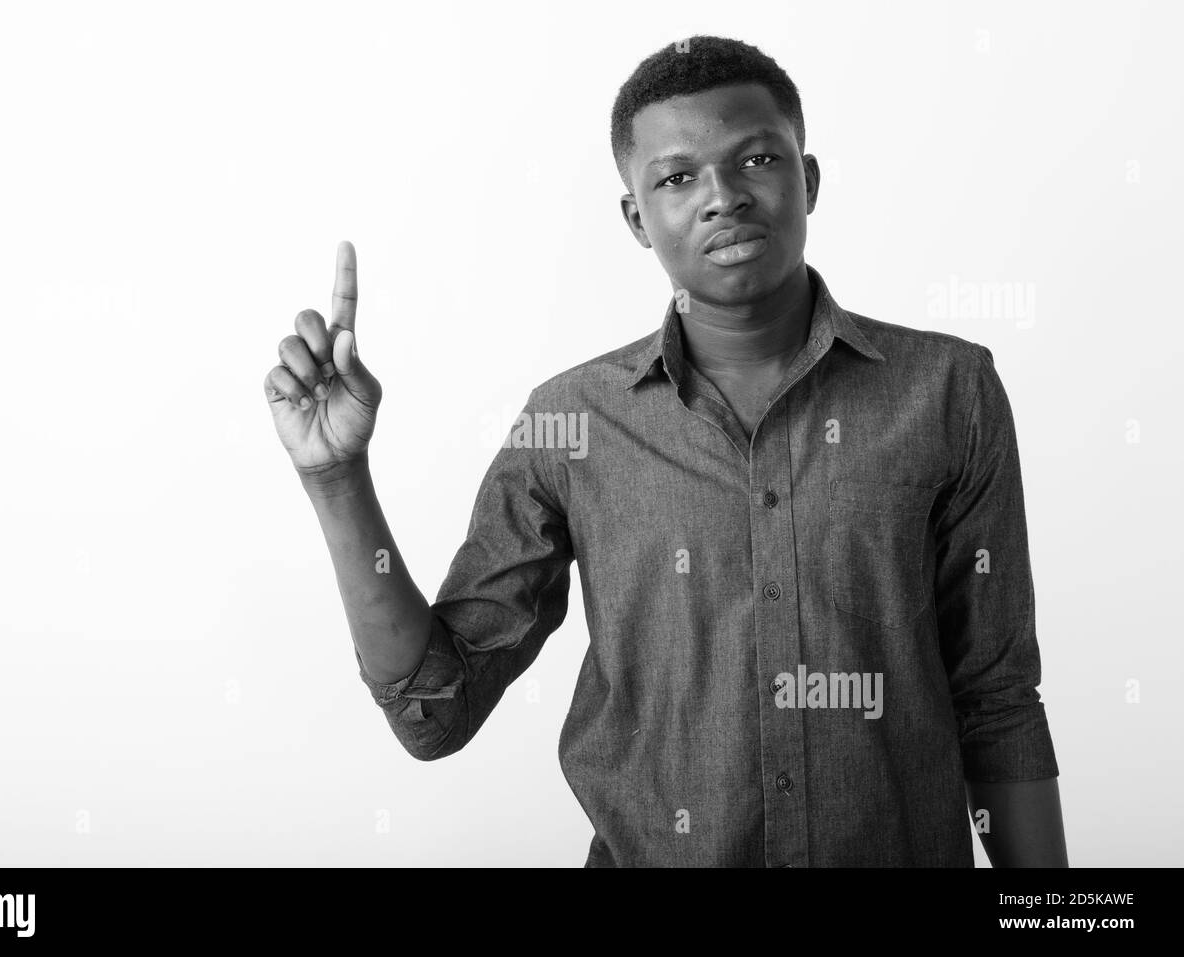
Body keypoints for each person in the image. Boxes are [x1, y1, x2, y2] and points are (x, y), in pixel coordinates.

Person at [263, 35, 1066, 867]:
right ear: (636, 218)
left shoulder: (948, 391)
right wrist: (336, 477)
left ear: (809, 179)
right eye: (677, 177)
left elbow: (997, 701)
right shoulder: (570, 422)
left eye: (756, 157)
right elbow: (436, 709)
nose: (722, 197)